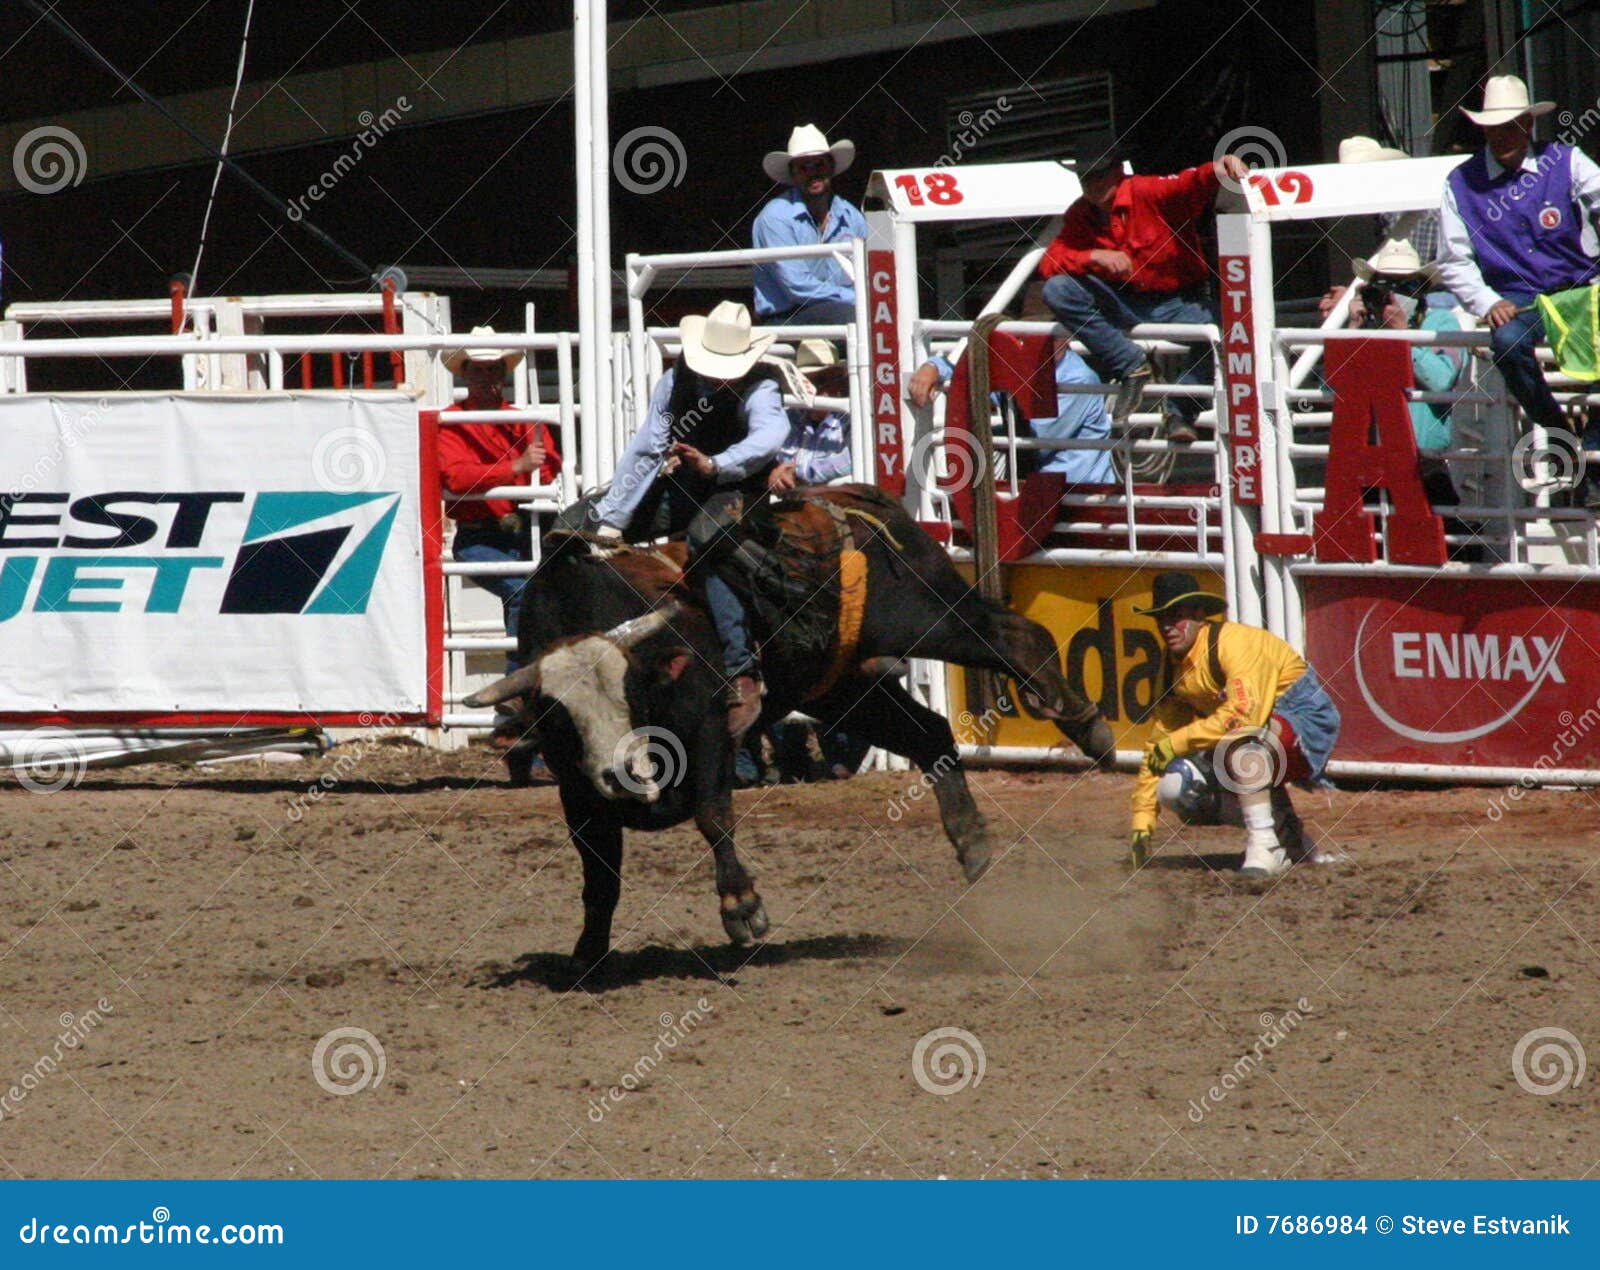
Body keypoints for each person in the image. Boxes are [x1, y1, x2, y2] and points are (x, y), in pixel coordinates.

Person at [574, 301, 789, 734]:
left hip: (739, 487)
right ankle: (576, 658)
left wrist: (717, 464)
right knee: (576, 525)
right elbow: (650, 445)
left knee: (707, 540)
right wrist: (614, 515)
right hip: (688, 485)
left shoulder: (762, 385)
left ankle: (740, 667)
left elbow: (770, 436)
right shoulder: (677, 380)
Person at [1435, 75, 1600, 503]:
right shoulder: (1459, 183)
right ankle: (1561, 434)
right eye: (1495, 127)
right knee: (1506, 342)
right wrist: (1488, 302)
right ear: (1484, 130)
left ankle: (1592, 449)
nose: (1502, 136)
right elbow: (1453, 259)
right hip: (1518, 298)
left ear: (1528, 124)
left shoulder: (1567, 160)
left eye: (1510, 125)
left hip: (1579, 286)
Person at [1039, 130, 1249, 441]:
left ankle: (1181, 410)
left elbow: (1187, 184)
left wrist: (1218, 168)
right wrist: (1093, 256)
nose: (1091, 184)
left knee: (1226, 325)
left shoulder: (1149, 193)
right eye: (1085, 177)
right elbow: (1049, 263)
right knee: (1057, 289)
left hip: (1175, 301)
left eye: (1098, 175)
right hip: (1122, 301)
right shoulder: (1080, 213)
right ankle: (1129, 363)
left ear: (1117, 172)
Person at [1129, 572, 1340, 879]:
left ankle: (1265, 844)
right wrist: (1142, 820)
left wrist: (1177, 743)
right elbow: (1159, 741)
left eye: (1175, 616)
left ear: (1199, 615)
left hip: (1303, 722)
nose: (1166, 626)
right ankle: (1286, 834)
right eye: (1160, 617)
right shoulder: (1172, 668)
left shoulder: (1235, 643)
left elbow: (1244, 716)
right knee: (1176, 787)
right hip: (1255, 738)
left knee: (1238, 741)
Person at [438, 326, 561, 677]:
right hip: (480, 537)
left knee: (532, 595)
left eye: (493, 368)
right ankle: (519, 685)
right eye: (478, 368)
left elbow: (549, 469)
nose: (487, 376)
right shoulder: (450, 422)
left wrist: (501, 472)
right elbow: (456, 479)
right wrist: (517, 467)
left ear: (504, 373)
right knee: (525, 593)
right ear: (465, 373)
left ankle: (525, 689)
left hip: (523, 533)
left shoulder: (520, 419)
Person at [907, 339, 1117, 484]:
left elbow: (1037, 442)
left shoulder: (1077, 379)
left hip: (1079, 491)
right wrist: (933, 367)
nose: (1029, 344)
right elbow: (967, 374)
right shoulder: (1022, 368)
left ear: (1064, 339)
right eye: (1024, 337)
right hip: (1043, 488)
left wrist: (980, 435)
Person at [752, 124, 866, 327]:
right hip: (785, 319)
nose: (813, 173)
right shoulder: (775, 216)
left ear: (831, 167)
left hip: (842, 310)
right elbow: (797, 286)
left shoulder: (851, 216)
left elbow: (868, 272)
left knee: (880, 318)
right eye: (804, 168)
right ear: (793, 174)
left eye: (819, 165)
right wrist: (859, 300)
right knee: (855, 318)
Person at [768, 338, 853, 492]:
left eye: (821, 379)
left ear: (839, 380)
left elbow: (851, 461)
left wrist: (798, 472)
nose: (812, 388)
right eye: (805, 381)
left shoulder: (850, 417)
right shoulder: (789, 416)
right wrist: (775, 472)